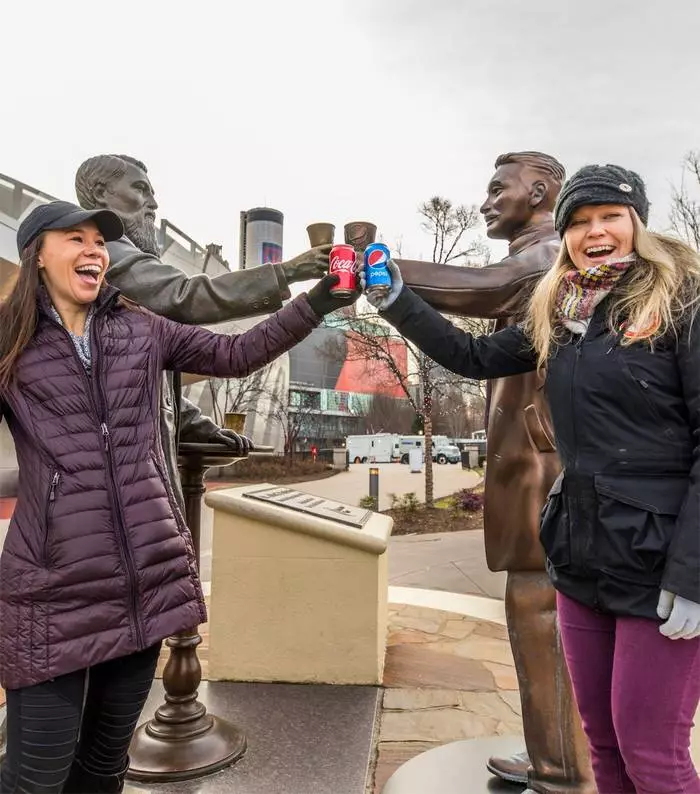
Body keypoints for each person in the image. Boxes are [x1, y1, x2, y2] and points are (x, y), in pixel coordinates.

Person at [363, 164, 700, 794]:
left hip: (659, 564)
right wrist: (394, 300)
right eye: (580, 222)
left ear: (638, 224)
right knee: (602, 746)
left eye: (610, 217)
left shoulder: (679, 302)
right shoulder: (564, 310)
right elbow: (475, 357)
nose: (594, 232)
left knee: (651, 752)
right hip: (580, 556)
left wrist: (694, 575)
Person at [0, 201, 356, 793]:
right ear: (37, 253)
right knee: (34, 778)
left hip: (145, 582)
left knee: (104, 769)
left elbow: (236, 354)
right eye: (75, 239)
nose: (94, 250)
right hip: (50, 591)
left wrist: (316, 302)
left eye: (99, 242)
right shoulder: (10, 341)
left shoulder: (141, 328)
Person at [397, 152, 592, 793]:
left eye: (495, 189)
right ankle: (554, 757)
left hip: (545, 467)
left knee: (542, 610)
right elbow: (473, 353)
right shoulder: (546, 262)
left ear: (539, 191)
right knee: (535, 611)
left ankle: (564, 769)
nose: (485, 202)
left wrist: (382, 271)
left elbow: (481, 286)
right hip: (534, 461)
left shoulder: (546, 257)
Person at [75, 153, 332, 508]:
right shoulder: (105, 252)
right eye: (140, 189)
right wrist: (287, 272)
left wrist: (193, 422)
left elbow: (129, 380)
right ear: (101, 193)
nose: (153, 202)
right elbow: (185, 296)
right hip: (114, 493)